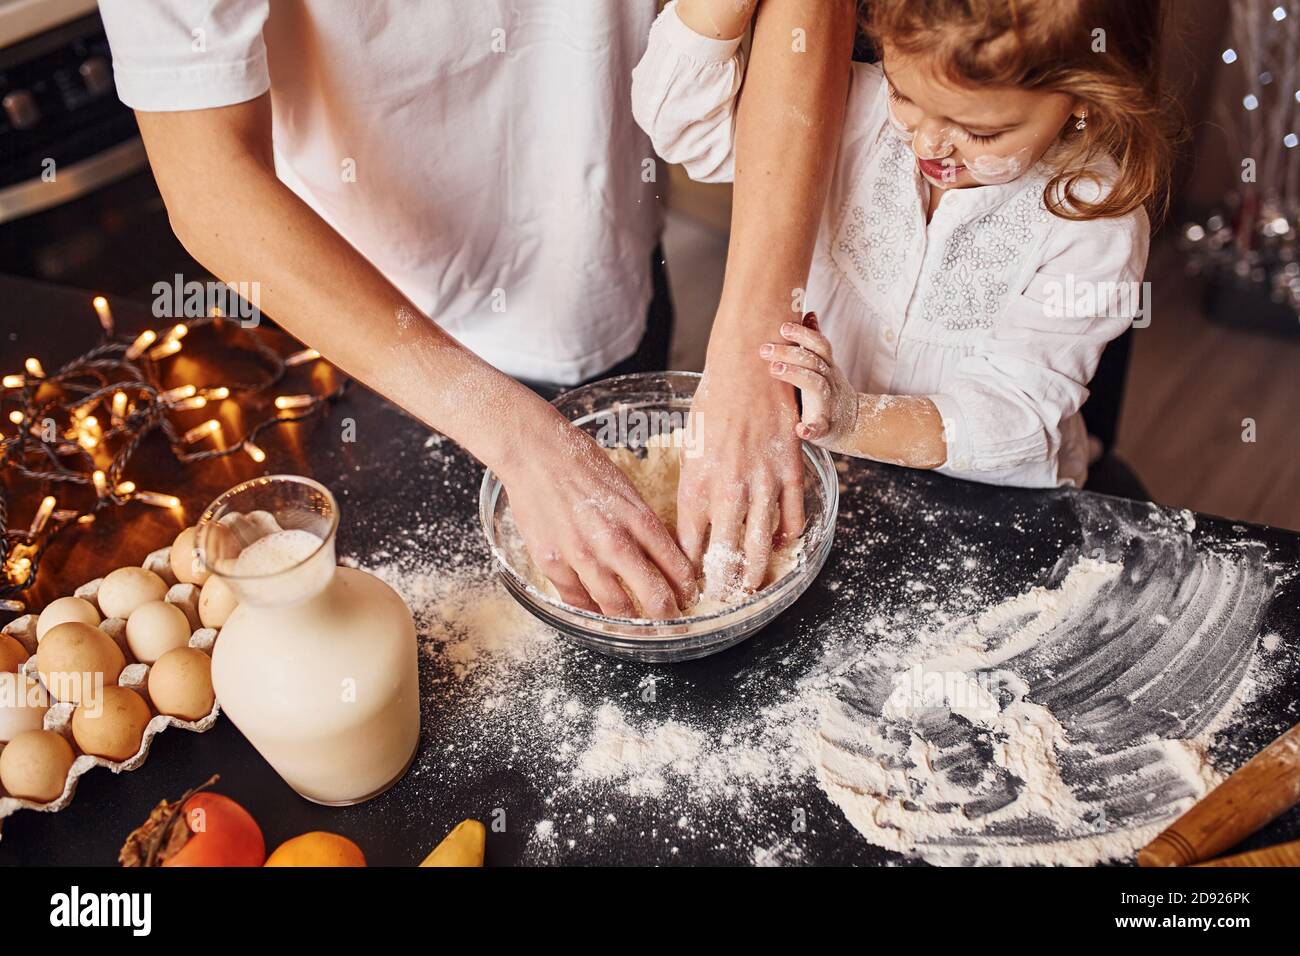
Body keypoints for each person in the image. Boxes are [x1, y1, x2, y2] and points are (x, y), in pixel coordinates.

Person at [97, 0, 855, 618]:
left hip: (603, 251)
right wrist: (515, 439)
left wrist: (757, 331)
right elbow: (209, 181)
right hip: (367, 333)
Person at [634, 0, 1174, 489]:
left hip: (981, 494)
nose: (927, 143)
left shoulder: (1095, 225)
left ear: (1088, 103)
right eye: (903, 93)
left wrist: (854, 420)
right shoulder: (847, 109)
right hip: (827, 473)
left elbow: (1018, 412)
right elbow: (682, 128)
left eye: (979, 132)